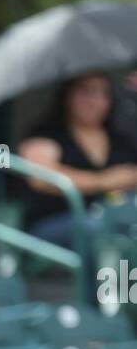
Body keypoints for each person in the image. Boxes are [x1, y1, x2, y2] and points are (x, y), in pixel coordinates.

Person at [17, 73, 137, 244]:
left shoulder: (120, 140)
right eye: (86, 92)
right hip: (53, 224)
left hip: (114, 219)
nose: (94, 101)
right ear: (67, 95)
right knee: (94, 228)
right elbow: (41, 178)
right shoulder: (47, 134)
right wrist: (106, 181)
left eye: (103, 94)